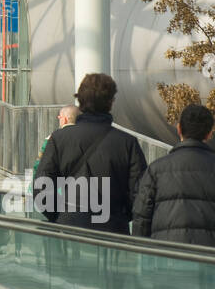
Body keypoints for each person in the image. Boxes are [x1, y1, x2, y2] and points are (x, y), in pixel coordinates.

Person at [34, 73, 147, 234]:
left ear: (79, 101)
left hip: (69, 232)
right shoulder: (127, 143)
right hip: (113, 232)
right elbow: (140, 193)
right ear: (111, 102)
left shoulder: (59, 139)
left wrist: (62, 216)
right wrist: (119, 216)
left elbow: (42, 188)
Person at [133, 104, 215, 249]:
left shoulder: (155, 170)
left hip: (165, 258)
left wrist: (141, 252)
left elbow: (141, 217)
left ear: (179, 128)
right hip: (213, 261)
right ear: (209, 134)